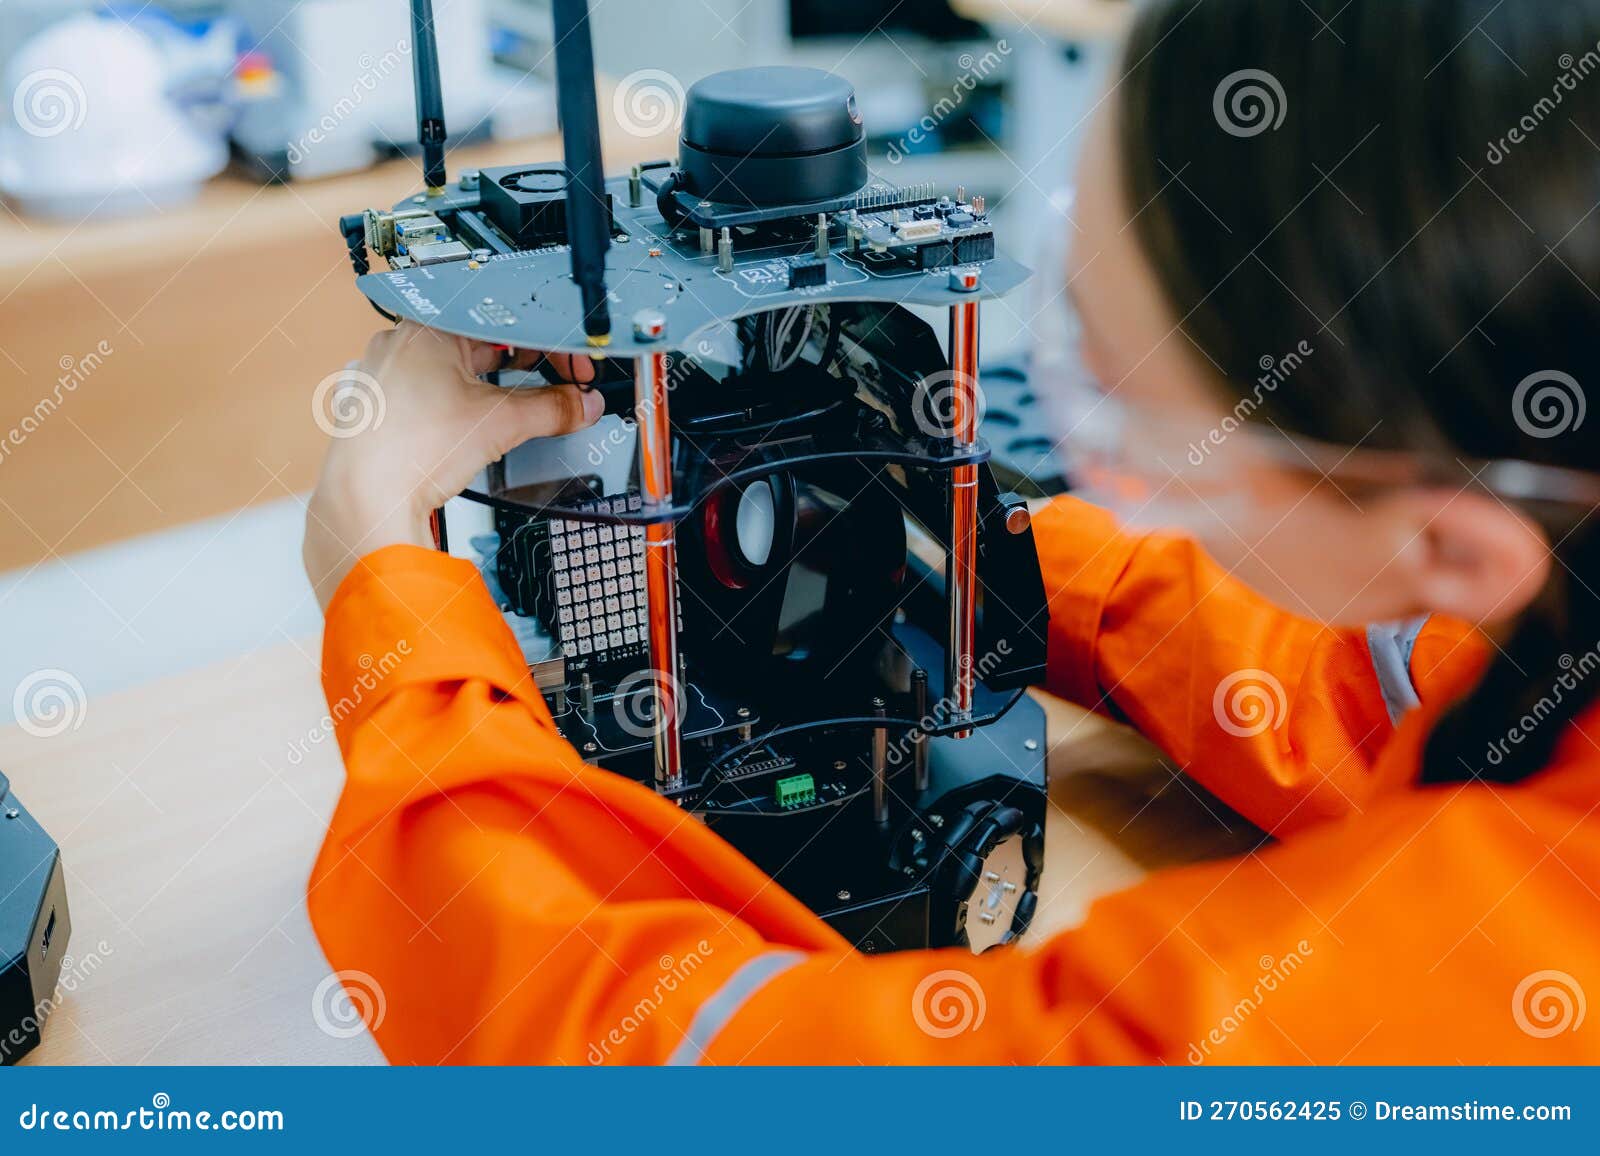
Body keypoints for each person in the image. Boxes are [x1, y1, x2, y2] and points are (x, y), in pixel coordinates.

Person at [302, 0, 1600, 1063]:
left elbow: (689, 1074)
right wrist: (959, 554)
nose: (1079, 457)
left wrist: (386, 593)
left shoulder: (1460, 993)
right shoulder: (1548, 580)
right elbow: (1366, 691)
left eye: (1122, 426)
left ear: (1458, 552)